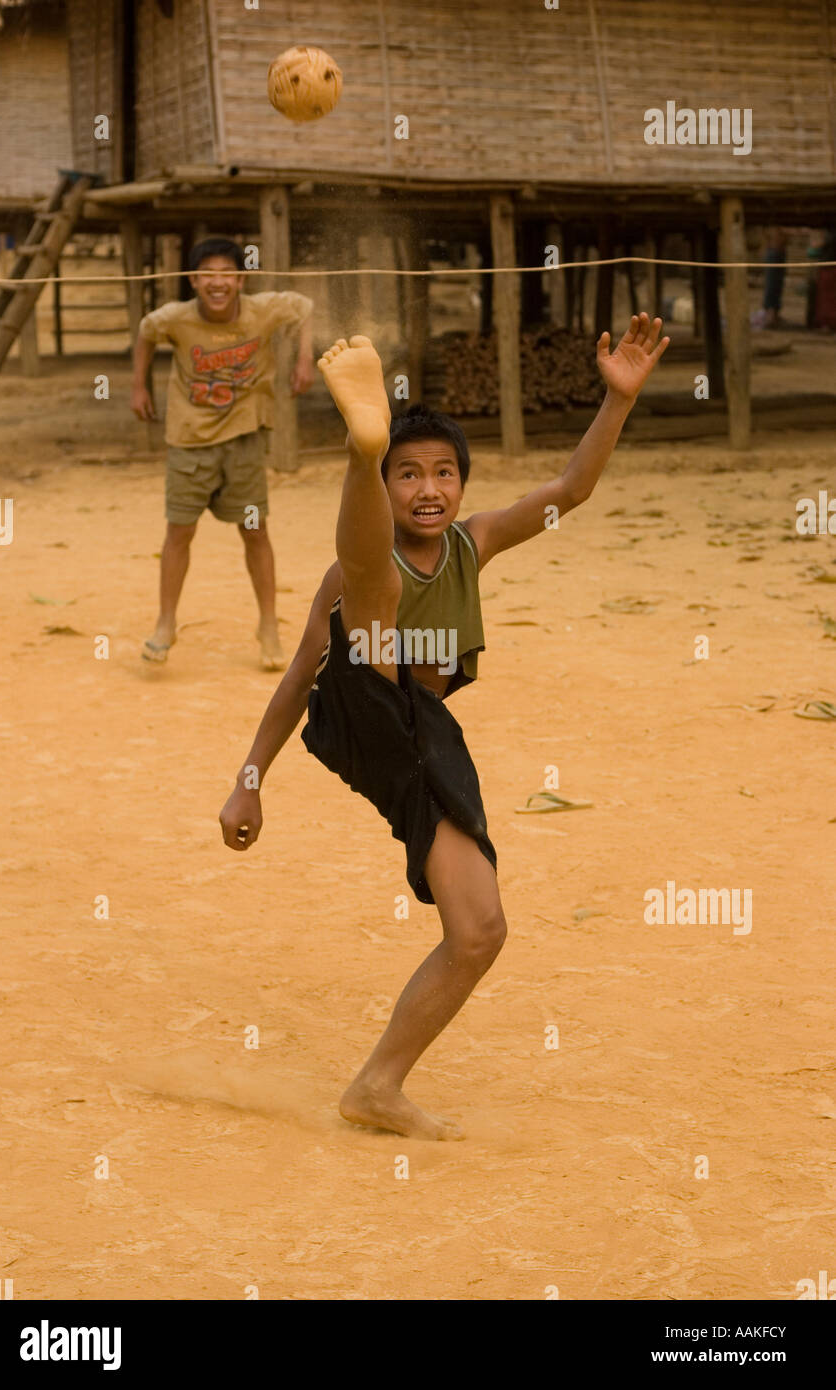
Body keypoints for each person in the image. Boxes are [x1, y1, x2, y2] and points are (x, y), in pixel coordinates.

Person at [219, 316, 669, 1140]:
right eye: (405, 474)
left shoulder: (476, 541)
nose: (429, 489)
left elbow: (569, 492)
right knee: (371, 585)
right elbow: (296, 682)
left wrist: (616, 401)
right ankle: (358, 445)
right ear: (387, 487)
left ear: (463, 484)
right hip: (357, 704)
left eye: (444, 474)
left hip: (419, 734)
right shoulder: (358, 569)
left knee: (479, 932)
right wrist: (248, 781)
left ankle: (377, 1086)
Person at [131, 236, 314, 668]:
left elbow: (304, 307)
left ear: (240, 279)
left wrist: (304, 358)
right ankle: (166, 623)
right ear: (193, 279)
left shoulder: (263, 310)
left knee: (255, 531)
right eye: (207, 274)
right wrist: (139, 385)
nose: (218, 283)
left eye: (226, 274)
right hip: (189, 443)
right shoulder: (174, 319)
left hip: (244, 442)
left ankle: (268, 626)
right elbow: (145, 332)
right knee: (180, 531)